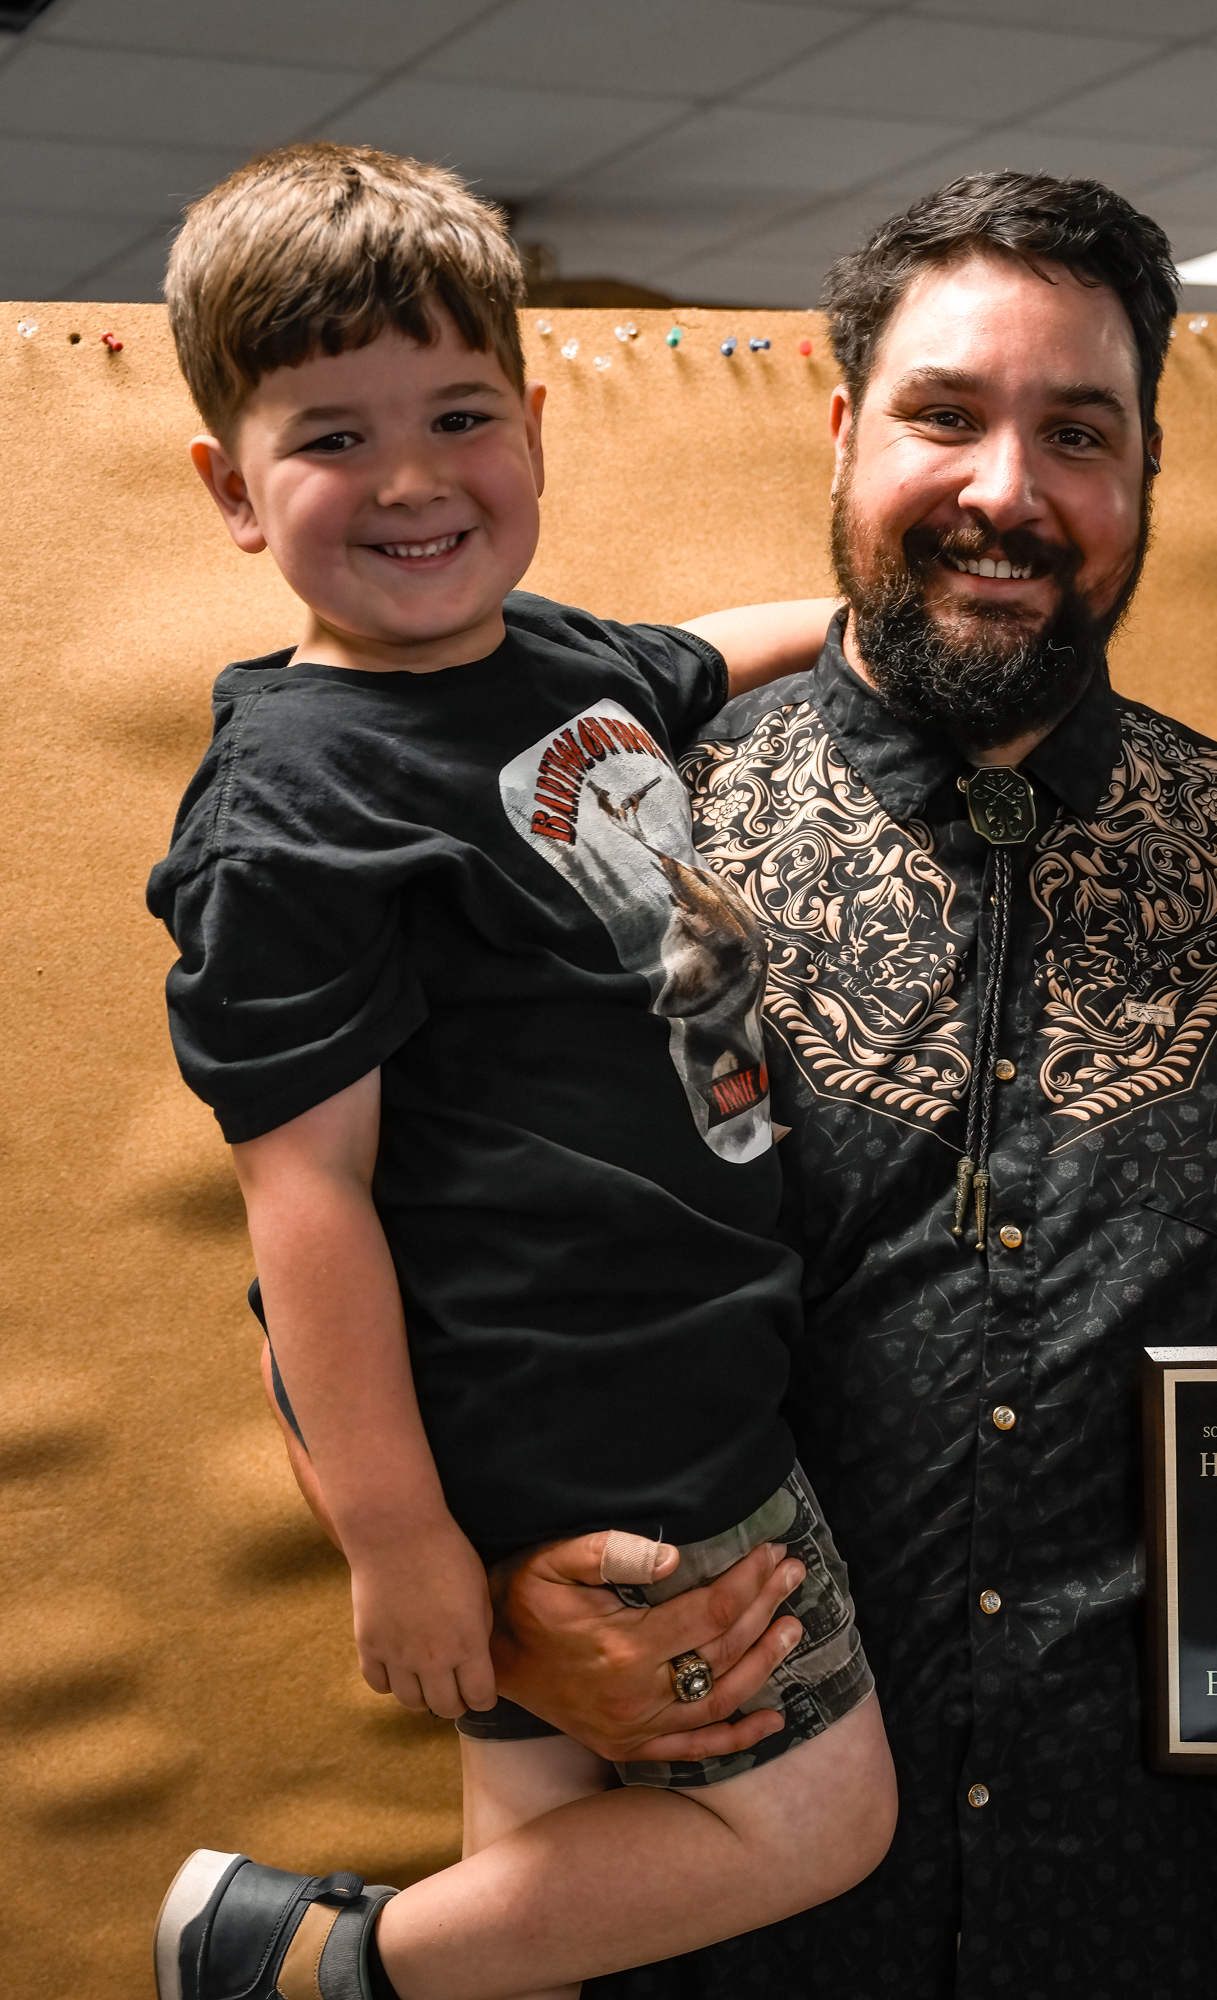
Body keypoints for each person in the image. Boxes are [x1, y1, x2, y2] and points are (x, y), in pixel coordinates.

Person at [490, 170, 1217, 1999]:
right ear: (841, 431)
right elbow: (392, 1282)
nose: (1007, 490)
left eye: (1079, 433)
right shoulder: (634, 844)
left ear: (1145, 478)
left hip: (1164, 1915)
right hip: (732, 1915)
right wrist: (491, 1612)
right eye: (946, 414)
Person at [144, 144, 893, 2000]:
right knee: (812, 1822)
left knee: (544, 1865)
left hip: (639, 1353)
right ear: (232, 490)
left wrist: (879, 638)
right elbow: (302, 1193)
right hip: (596, 1394)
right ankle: (302, 1967)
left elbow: (694, 661)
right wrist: (400, 1547)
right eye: (332, 438)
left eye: (459, 415)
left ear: (537, 432)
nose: (410, 479)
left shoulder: (552, 660)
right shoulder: (297, 804)